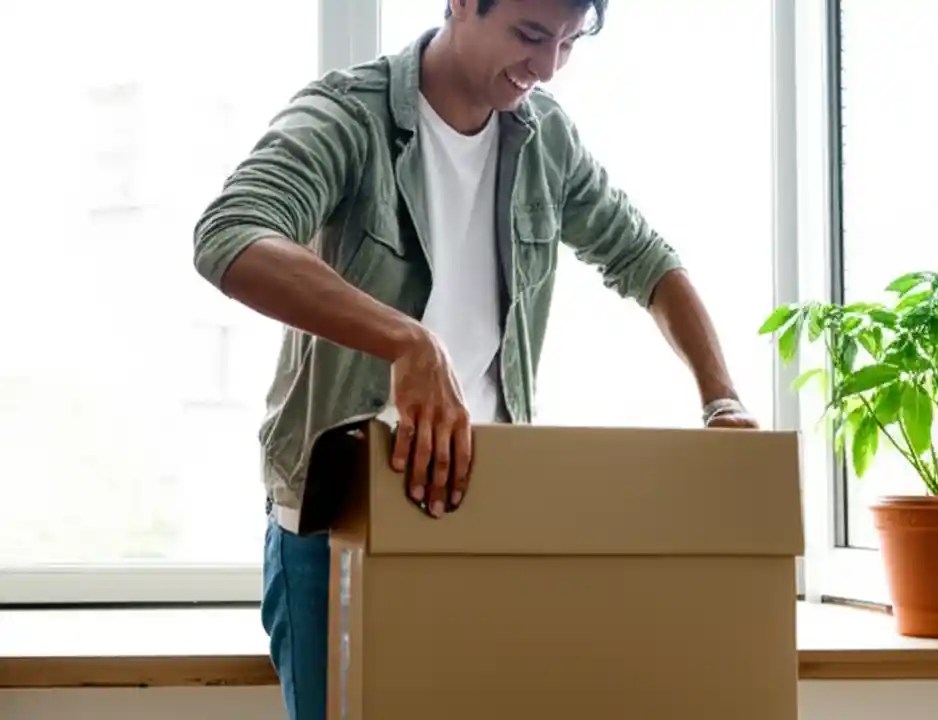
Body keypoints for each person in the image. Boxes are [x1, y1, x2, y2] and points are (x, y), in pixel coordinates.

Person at [192, 0, 757, 717]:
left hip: (486, 519)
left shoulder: (547, 139)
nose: (547, 65)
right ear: (461, 2)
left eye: (568, 43)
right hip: (335, 526)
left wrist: (723, 400)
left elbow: (649, 263)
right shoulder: (347, 116)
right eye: (528, 35)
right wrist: (407, 339)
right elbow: (230, 235)